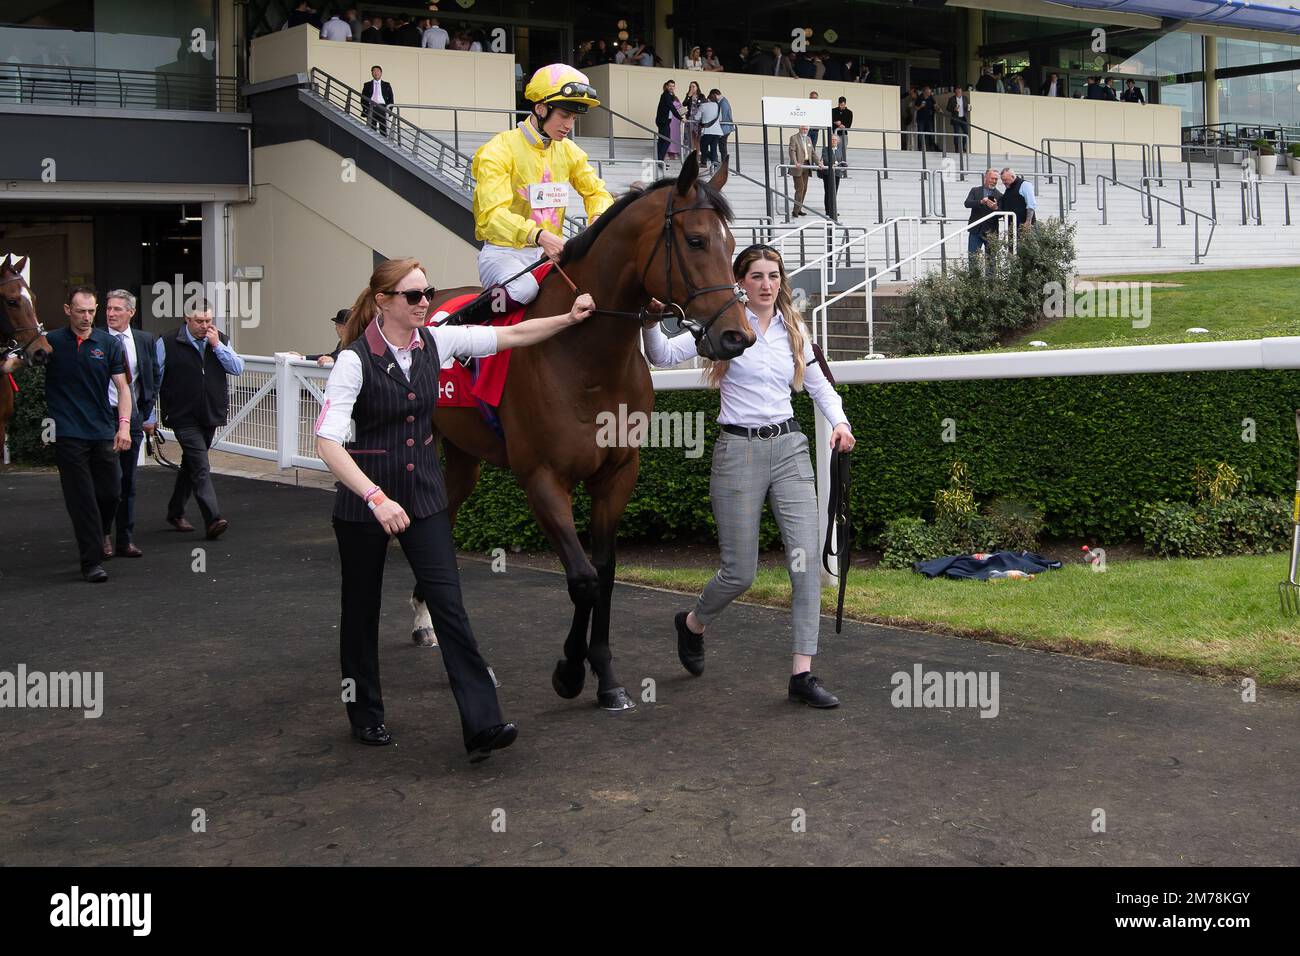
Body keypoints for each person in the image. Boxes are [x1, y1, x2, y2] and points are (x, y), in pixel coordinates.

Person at [314, 257, 595, 758]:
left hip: (422, 496)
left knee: (450, 605)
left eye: (428, 293)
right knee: (360, 611)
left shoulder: (439, 340)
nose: (425, 302)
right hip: (365, 502)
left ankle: (483, 722)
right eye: (413, 296)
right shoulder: (354, 362)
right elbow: (328, 443)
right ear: (383, 302)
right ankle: (366, 712)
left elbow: (511, 337)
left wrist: (569, 320)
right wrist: (375, 498)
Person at [641, 245, 855, 708]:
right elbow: (660, 356)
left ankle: (803, 674)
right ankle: (693, 624)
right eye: (756, 276)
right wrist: (650, 320)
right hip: (737, 450)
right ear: (740, 281)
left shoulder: (794, 328)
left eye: (773, 276)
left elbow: (818, 385)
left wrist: (840, 424)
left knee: (805, 566)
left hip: (790, 449)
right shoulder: (720, 325)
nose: (766, 284)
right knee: (740, 573)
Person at [470, 64, 613, 310]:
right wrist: (538, 235)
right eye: (564, 115)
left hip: (549, 255)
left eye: (574, 118)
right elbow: (490, 216)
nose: (569, 125)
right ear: (540, 108)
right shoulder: (498, 149)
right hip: (505, 254)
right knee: (524, 289)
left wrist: (598, 217)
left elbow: (597, 192)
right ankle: (471, 329)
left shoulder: (569, 150)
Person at [44, 287, 132, 583]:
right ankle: (91, 562)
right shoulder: (52, 342)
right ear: (67, 310)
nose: (86, 317)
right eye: (80, 311)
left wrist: (123, 425)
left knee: (111, 493)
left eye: (92, 311)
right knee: (81, 499)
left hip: (102, 431)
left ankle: (102, 532)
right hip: (68, 434)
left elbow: (122, 388)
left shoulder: (107, 343)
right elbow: (19, 362)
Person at [156, 304, 244, 540]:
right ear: (186, 319)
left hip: (209, 413)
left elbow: (237, 368)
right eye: (199, 321)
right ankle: (213, 518)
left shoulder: (219, 339)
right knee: (201, 464)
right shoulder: (166, 341)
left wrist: (217, 346)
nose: (205, 326)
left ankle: (175, 512)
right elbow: (156, 378)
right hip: (181, 415)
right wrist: (149, 414)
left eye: (208, 321)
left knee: (191, 465)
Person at [103, 290, 159, 560]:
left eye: (117, 309)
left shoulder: (144, 340)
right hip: (102, 418)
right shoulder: (98, 340)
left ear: (131, 312)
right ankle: (103, 536)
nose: (111, 314)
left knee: (128, 483)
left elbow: (153, 375)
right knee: (107, 482)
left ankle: (125, 539)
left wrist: (145, 412)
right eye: (109, 308)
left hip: (133, 417)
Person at [964, 168, 1002, 264]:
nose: (994, 181)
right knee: (973, 260)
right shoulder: (975, 190)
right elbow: (967, 203)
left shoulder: (1000, 195)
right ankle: (973, 279)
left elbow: (1001, 214)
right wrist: (981, 201)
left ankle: (990, 280)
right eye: (992, 178)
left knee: (991, 262)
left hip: (991, 232)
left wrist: (995, 208)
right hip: (975, 230)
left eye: (996, 179)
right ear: (986, 177)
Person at [787, 124, 818, 217]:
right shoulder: (794, 138)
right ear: (799, 129)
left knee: (804, 189)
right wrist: (795, 162)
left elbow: (812, 153)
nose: (805, 130)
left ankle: (799, 209)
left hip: (807, 166)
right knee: (799, 188)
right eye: (803, 129)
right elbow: (792, 151)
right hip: (798, 166)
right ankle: (795, 211)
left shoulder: (808, 139)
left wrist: (818, 162)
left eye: (806, 129)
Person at [998, 166, 1036, 231]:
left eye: (1005, 180)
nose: (1004, 182)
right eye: (1002, 180)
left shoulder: (1025, 185)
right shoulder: (1009, 188)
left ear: (1012, 177)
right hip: (1012, 226)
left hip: (1024, 226)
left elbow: (1031, 204)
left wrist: (1028, 222)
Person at [361, 65, 392, 135]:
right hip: (371, 107)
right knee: (371, 129)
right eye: (374, 71)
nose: (376, 73)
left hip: (383, 108)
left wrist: (389, 110)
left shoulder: (387, 85)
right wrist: (365, 108)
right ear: (371, 73)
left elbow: (391, 98)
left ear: (381, 73)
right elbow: (363, 98)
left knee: (384, 130)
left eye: (378, 71)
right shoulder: (367, 85)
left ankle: (384, 144)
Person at [696, 92, 723, 172]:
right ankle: (714, 164)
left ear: (708, 99)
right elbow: (720, 119)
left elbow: (697, 117)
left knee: (703, 147)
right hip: (717, 131)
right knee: (714, 148)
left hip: (707, 131)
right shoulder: (718, 106)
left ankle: (714, 160)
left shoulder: (703, 106)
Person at [820, 133, 843, 220]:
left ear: (837, 141)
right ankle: (828, 210)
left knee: (834, 192)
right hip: (828, 173)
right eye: (832, 140)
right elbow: (825, 160)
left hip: (837, 174)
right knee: (828, 192)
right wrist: (834, 164)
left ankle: (833, 209)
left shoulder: (840, 149)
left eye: (835, 140)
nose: (834, 141)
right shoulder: (825, 149)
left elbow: (842, 160)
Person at [710, 87, 734, 164]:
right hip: (725, 127)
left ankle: (724, 163)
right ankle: (724, 162)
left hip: (725, 128)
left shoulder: (723, 103)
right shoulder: (723, 101)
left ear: (716, 95)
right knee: (722, 146)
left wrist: (719, 130)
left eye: (713, 97)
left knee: (722, 147)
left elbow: (722, 118)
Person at [682, 80, 704, 154]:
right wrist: (688, 96)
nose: (692, 88)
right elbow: (684, 104)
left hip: (698, 119)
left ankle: (698, 151)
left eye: (693, 86)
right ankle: (688, 151)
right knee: (688, 135)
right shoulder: (688, 95)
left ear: (697, 87)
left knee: (697, 135)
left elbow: (704, 105)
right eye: (690, 86)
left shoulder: (701, 96)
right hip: (690, 118)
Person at [947, 85, 971, 153]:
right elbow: (948, 108)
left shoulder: (965, 98)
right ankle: (957, 149)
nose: (958, 93)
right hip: (956, 118)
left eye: (959, 92)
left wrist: (969, 109)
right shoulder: (951, 99)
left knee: (966, 132)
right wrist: (953, 109)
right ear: (955, 92)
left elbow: (967, 107)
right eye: (957, 92)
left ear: (961, 92)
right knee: (956, 134)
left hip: (963, 118)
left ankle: (963, 147)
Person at [831, 95, 853, 169]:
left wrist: (842, 125)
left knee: (843, 149)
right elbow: (831, 121)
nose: (841, 106)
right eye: (840, 105)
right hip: (835, 134)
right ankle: (835, 163)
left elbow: (848, 124)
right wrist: (836, 123)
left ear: (845, 104)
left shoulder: (849, 112)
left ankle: (843, 163)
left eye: (843, 105)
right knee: (835, 149)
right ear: (838, 103)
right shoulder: (833, 111)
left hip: (844, 134)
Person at [914, 85, 937, 152]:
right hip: (920, 119)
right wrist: (921, 106)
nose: (929, 94)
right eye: (927, 92)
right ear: (924, 92)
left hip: (929, 118)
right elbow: (915, 107)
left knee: (931, 132)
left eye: (929, 92)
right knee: (920, 133)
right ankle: (920, 148)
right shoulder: (919, 98)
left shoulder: (931, 98)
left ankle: (931, 147)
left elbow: (935, 104)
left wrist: (938, 109)